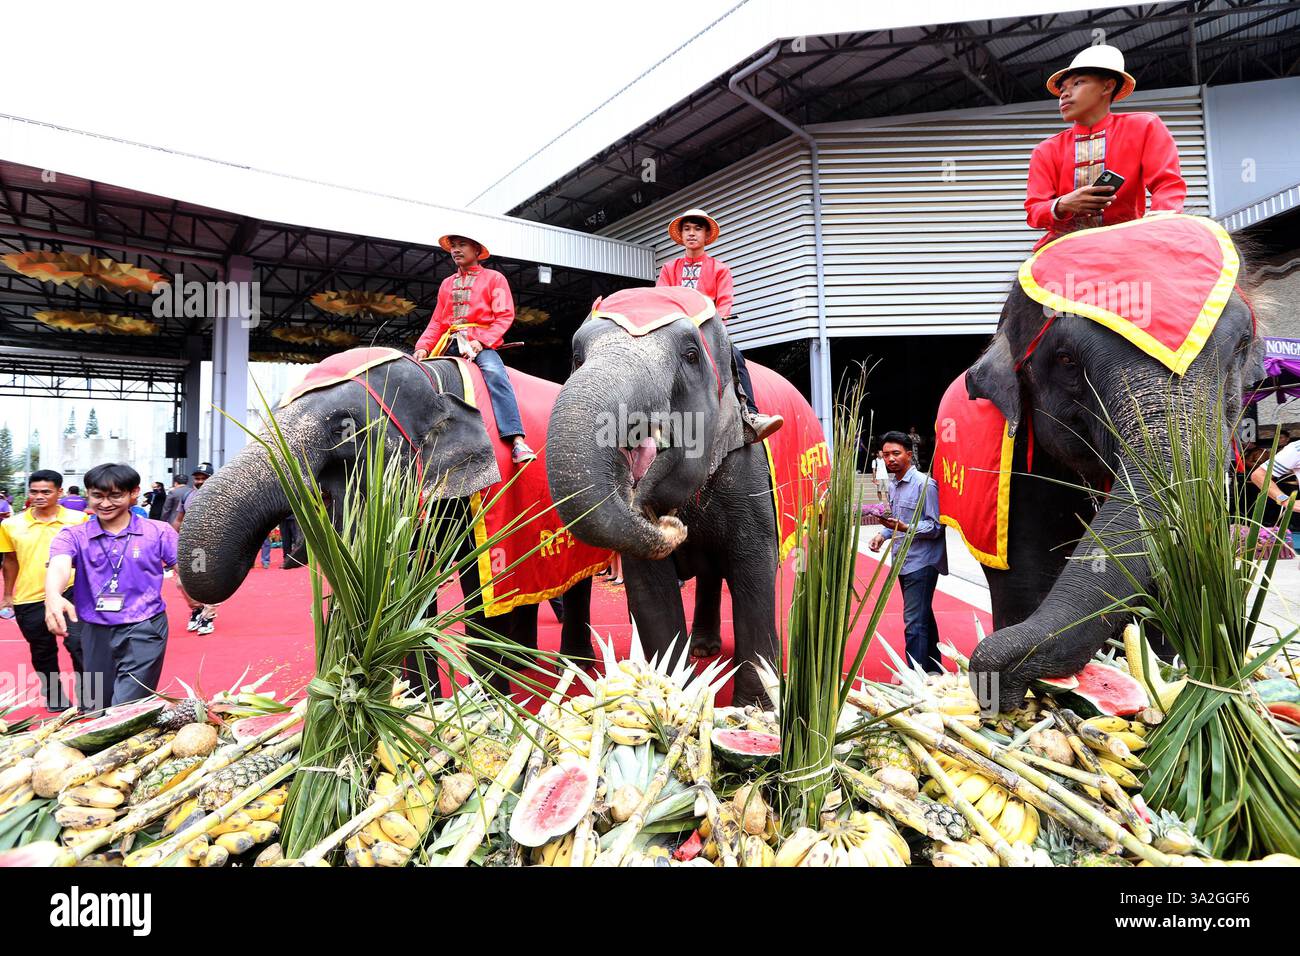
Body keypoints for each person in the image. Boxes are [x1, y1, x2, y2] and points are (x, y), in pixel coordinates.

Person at [1026, 44, 1185, 251]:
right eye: (1062, 89)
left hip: (1128, 246)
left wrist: (1159, 228)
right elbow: (1034, 211)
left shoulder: (1144, 126)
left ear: (1107, 86)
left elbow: (1167, 184)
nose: (1064, 94)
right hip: (1064, 251)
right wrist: (1063, 204)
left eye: (1077, 83)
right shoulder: (1046, 150)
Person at [45, 463, 178, 710]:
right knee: (97, 706)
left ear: (134, 493)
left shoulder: (159, 532)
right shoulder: (73, 535)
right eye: (97, 496)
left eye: (115, 496)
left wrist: (196, 586)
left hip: (144, 626)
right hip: (94, 628)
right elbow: (59, 564)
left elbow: (187, 566)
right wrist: (52, 594)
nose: (105, 504)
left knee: (125, 707)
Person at [655, 209, 783, 443]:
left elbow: (724, 304)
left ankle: (750, 415)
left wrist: (716, 322)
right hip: (673, 334)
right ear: (681, 236)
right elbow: (661, 300)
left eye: (697, 229)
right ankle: (648, 421)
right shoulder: (668, 269)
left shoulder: (720, 269)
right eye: (687, 229)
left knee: (736, 357)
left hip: (707, 332)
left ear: (706, 236)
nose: (691, 233)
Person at [412, 234, 537, 465]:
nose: (456, 250)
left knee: (495, 374)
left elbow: (504, 316)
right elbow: (438, 322)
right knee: (422, 380)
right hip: (448, 344)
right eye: (453, 247)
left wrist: (482, 341)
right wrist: (422, 347)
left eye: (462, 245)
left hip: (480, 343)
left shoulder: (494, 278)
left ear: (477, 251)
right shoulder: (446, 284)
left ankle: (517, 440)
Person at [0, 470, 91, 710]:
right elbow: (10, 561)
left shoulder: (78, 519)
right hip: (29, 598)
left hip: (71, 593)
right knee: (42, 651)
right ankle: (55, 699)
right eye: (34, 491)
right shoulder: (11, 525)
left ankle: (89, 700)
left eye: (46, 492)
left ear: (59, 492)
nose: (39, 496)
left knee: (79, 644)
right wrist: (8, 595)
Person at [867, 431, 948, 673]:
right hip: (902, 560)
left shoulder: (925, 485)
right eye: (886, 455)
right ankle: (934, 669)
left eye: (896, 453)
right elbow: (897, 521)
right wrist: (882, 535)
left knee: (913, 622)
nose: (890, 459)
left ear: (909, 455)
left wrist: (905, 527)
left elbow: (935, 527)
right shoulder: (893, 486)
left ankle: (915, 677)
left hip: (922, 562)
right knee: (922, 615)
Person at [173, 464, 219, 635]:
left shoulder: (221, 497)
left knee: (209, 582)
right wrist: (171, 539)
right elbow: (179, 520)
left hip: (214, 546)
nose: (200, 481)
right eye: (197, 478)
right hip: (191, 546)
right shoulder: (187, 496)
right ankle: (197, 609)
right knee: (181, 583)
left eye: (203, 478)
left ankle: (208, 618)